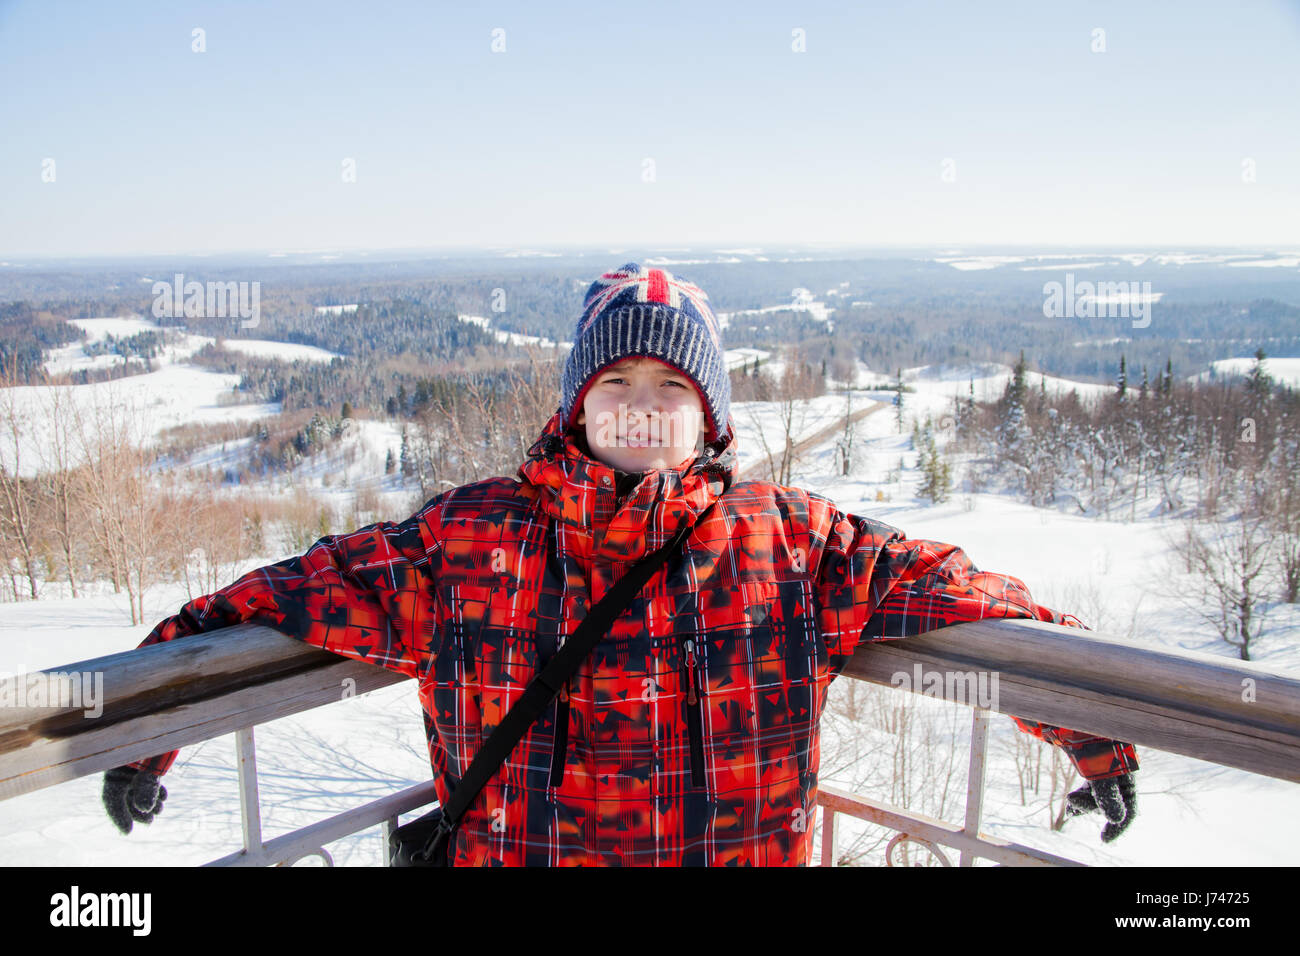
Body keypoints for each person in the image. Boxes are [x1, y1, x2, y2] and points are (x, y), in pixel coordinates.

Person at [102, 262, 1139, 865]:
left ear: (711, 414)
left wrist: (1099, 726)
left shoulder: (796, 545)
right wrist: (143, 724)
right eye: (617, 375)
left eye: (670, 380)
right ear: (577, 403)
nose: (642, 400)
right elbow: (282, 596)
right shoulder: (470, 541)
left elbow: (968, 600)